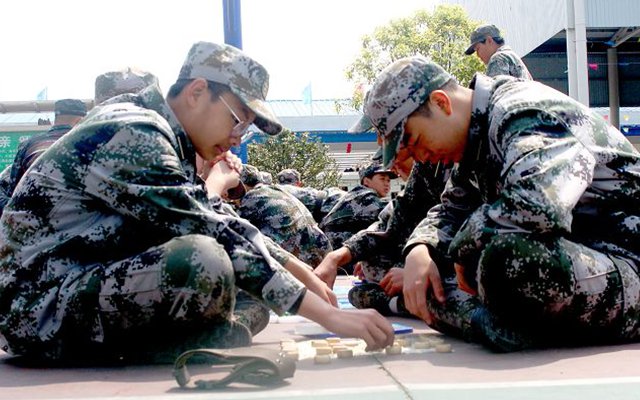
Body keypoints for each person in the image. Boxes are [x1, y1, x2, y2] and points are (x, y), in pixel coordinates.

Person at [0, 42, 394, 364]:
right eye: (237, 119)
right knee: (204, 258)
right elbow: (211, 232)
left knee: (246, 293)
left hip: (80, 288)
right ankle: (171, 345)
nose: (239, 137)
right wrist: (329, 316)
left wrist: (296, 271)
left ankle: (186, 341)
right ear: (197, 92)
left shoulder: (167, 137)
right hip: (37, 309)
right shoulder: (137, 131)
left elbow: (219, 216)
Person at [364, 55, 640, 352]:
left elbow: (539, 205)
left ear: (441, 103)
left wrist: (459, 251)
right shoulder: (475, 140)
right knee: (428, 277)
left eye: (415, 140)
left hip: (626, 260)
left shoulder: (522, 111)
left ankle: (486, 322)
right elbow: (450, 209)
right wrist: (421, 248)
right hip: (582, 261)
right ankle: (494, 323)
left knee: (507, 258)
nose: (420, 158)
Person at [236, 165, 332, 268]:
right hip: (321, 254)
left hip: (302, 260)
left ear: (240, 185)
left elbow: (234, 228)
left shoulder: (252, 197)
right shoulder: (275, 190)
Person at [6, 99, 87, 199]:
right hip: (75, 210)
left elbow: (14, 188)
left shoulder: (28, 144)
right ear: (80, 120)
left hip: (31, 209)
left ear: (56, 119)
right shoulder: (86, 144)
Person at [319, 161, 394, 254]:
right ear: (366, 181)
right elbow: (393, 216)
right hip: (340, 253)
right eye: (382, 179)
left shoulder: (356, 194)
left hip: (333, 249)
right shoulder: (366, 196)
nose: (387, 184)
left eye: (388, 180)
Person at [465, 24, 532, 80]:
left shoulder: (498, 58)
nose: (478, 55)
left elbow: (494, 92)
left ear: (489, 40)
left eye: (478, 49)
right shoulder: (511, 56)